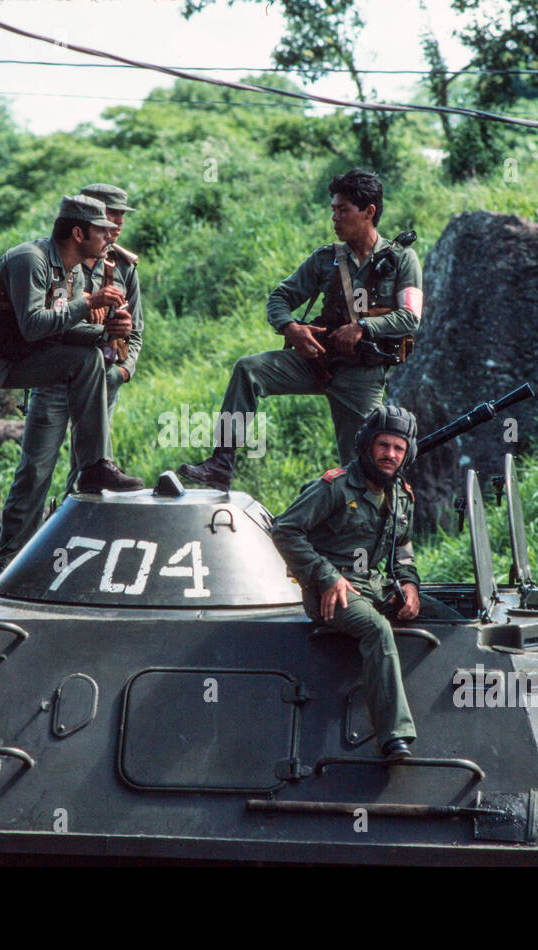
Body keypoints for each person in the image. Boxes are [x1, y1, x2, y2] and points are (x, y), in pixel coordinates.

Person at [179, 169, 423, 491]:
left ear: (369, 212)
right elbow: (280, 297)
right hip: (317, 359)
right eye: (333, 210)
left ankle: (369, 530)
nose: (334, 218)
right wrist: (291, 328)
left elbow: (410, 317)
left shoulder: (402, 259)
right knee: (248, 370)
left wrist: (363, 327)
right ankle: (220, 463)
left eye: (343, 210)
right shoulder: (326, 259)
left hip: (361, 376)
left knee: (361, 468)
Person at [0, 194, 143, 497]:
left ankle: (95, 467)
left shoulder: (72, 269)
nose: (110, 235)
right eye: (102, 229)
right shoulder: (30, 259)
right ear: (78, 234)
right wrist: (88, 303)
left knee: (88, 360)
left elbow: (59, 327)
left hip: (15, 358)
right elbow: (33, 325)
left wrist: (107, 332)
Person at [0, 184, 143, 570]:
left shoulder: (124, 268)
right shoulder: (62, 262)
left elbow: (136, 330)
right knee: (35, 471)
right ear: (84, 226)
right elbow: (44, 325)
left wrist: (123, 368)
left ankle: (77, 561)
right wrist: (92, 318)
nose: (117, 227)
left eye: (121, 218)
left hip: (101, 382)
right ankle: (11, 562)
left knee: (92, 473)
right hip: (55, 381)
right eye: (110, 219)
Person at [269, 405, 422, 761]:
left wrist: (411, 586)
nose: (390, 455)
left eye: (398, 448)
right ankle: (393, 737)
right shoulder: (335, 487)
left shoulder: (401, 494)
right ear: (368, 445)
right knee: (377, 630)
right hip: (332, 590)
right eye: (384, 445)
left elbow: (402, 548)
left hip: (375, 584)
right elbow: (285, 530)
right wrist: (325, 577)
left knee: (446, 615)